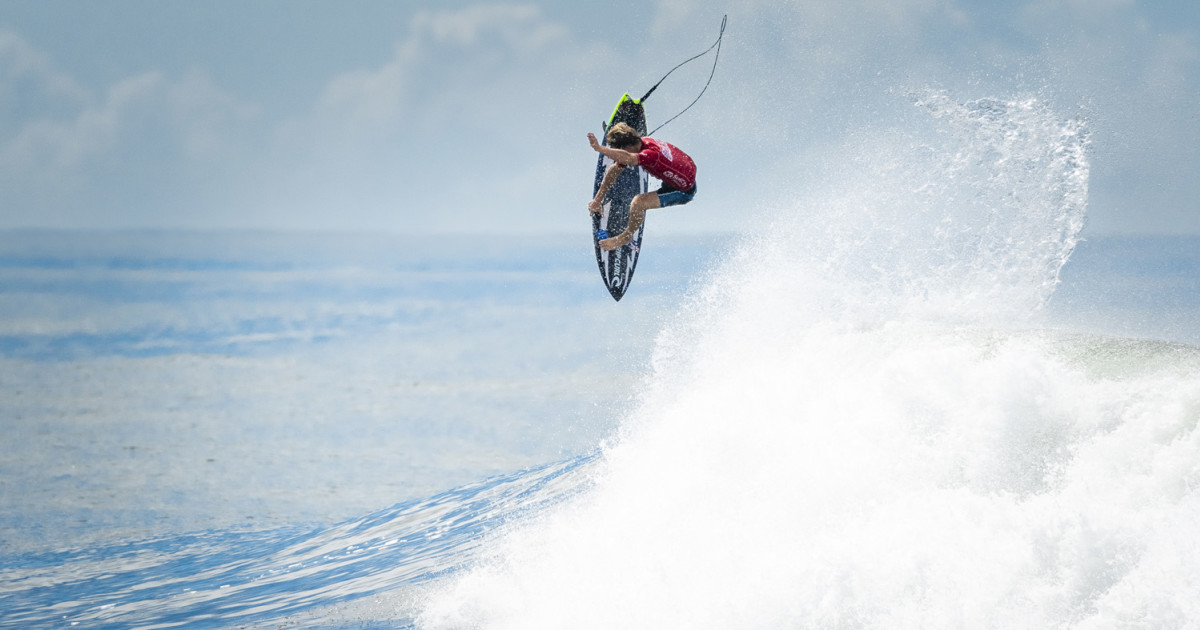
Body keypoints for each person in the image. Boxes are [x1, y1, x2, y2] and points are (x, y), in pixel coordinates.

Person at [587, 122, 697, 251]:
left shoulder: (651, 155)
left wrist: (600, 149)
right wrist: (597, 200)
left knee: (638, 202)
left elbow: (630, 158)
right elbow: (616, 168)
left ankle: (626, 237)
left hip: (683, 190)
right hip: (685, 170)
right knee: (619, 167)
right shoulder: (644, 141)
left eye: (620, 151)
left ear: (628, 147)